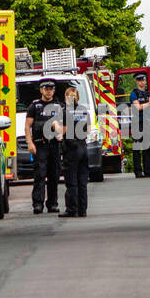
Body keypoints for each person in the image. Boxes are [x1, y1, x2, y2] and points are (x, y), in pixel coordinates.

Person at [24, 79, 62, 214]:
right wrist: (30, 142)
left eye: (51, 89)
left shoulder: (58, 106)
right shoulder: (35, 106)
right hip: (40, 144)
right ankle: (38, 204)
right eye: (46, 89)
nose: (49, 91)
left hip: (54, 145)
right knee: (40, 175)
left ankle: (52, 203)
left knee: (54, 175)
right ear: (41, 90)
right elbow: (27, 127)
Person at [59, 84, 89, 217]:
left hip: (72, 149)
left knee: (71, 181)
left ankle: (72, 209)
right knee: (82, 181)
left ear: (67, 97)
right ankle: (83, 210)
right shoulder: (83, 110)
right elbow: (88, 130)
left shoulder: (65, 112)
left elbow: (62, 131)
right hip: (83, 147)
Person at [127, 73, 150, 178]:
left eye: (143, 80)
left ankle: (148, 171)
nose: (141, 82)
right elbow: (137, 108)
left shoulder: (148, 94)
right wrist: (148, 103)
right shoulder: (134, 93)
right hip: (137, 123)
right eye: (139, 80)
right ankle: (138, 172)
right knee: (137, 148)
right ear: (136, 82)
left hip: (147, 123)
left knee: (148, 148)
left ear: (145, 81)